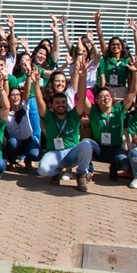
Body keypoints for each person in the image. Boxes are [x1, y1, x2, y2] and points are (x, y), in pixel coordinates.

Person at [32, 59, 94, 191]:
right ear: (52, 106)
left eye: (63, 102)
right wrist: (35, 83)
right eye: (57, 103)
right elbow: (39, 101)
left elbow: (81, 98)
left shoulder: (73, 115)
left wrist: (82, 77)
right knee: (42, 170)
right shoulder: (48, 117)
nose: (60, 105)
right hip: (55, 153)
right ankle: (56, 173)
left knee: (86, 145)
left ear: (67, 104)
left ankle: (81, 174)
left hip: (72, 153)